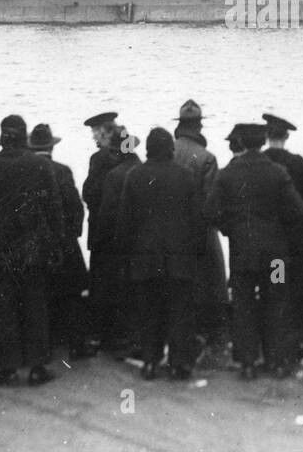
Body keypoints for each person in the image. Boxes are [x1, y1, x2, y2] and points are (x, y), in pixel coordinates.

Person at [0, 115, 67, 387]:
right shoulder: (39, 164)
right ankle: (37, 367)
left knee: (5, 310)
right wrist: (57, 243)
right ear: (24, 136)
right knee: (36, 307)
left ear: (2, 136)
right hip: (33, 251)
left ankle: (7, 368)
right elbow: (54, 209)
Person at [205, 122, 303, 379]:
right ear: (262, 142)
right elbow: (297, 210)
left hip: (242, 252)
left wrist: (231, 229)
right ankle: (279, 360)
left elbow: (211, 212)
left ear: (241, 141)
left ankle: (248, 363)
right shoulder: (278, 172)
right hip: (276, 254)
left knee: (244, 304)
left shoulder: (227, 174)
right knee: (278, 301)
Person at [120, 128, 201, 380]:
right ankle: (180, 364)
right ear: (171, 149)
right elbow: (198, 220)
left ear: (147, 149)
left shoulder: (135, 175)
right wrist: (197, 254)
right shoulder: (186, 176)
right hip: (179, 257)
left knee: (149, 311)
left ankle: (149, 362)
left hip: (145, 257)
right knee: (180, 311)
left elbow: (125, 222)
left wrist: (127, 256)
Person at [28, 123, 91, 360]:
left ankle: (44, 345)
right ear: (51, 147)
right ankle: (77, 345)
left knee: (39, 296)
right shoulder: (63, 170)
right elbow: (76, 207)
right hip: (63, 240)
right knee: (72, 294)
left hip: (35, 242)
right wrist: (71, 235)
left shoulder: (26, 170)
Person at [173, 100, 230, 357]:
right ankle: (212, 336)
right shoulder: (206, 158)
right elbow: (212, 205)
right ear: (199, 126)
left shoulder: (166, 151)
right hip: (201, 234)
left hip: (171, 234)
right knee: (212, 282)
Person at [263, 113, 303, 356]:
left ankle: (269, 345)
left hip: (260, 244)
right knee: (287, 295)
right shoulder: (297, 163)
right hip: (291, 244)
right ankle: (288, 347)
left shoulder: (259, 161)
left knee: (269, 292)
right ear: (285, 136)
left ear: (266, 135)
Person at [89, 127, 142, 354]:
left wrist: (100, 241)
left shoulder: (112, 174)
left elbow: (105, 211)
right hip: (140, 244)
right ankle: (133, 338)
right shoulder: (142, 171)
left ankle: (109, 338)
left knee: (109, 289)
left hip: (112, 241)